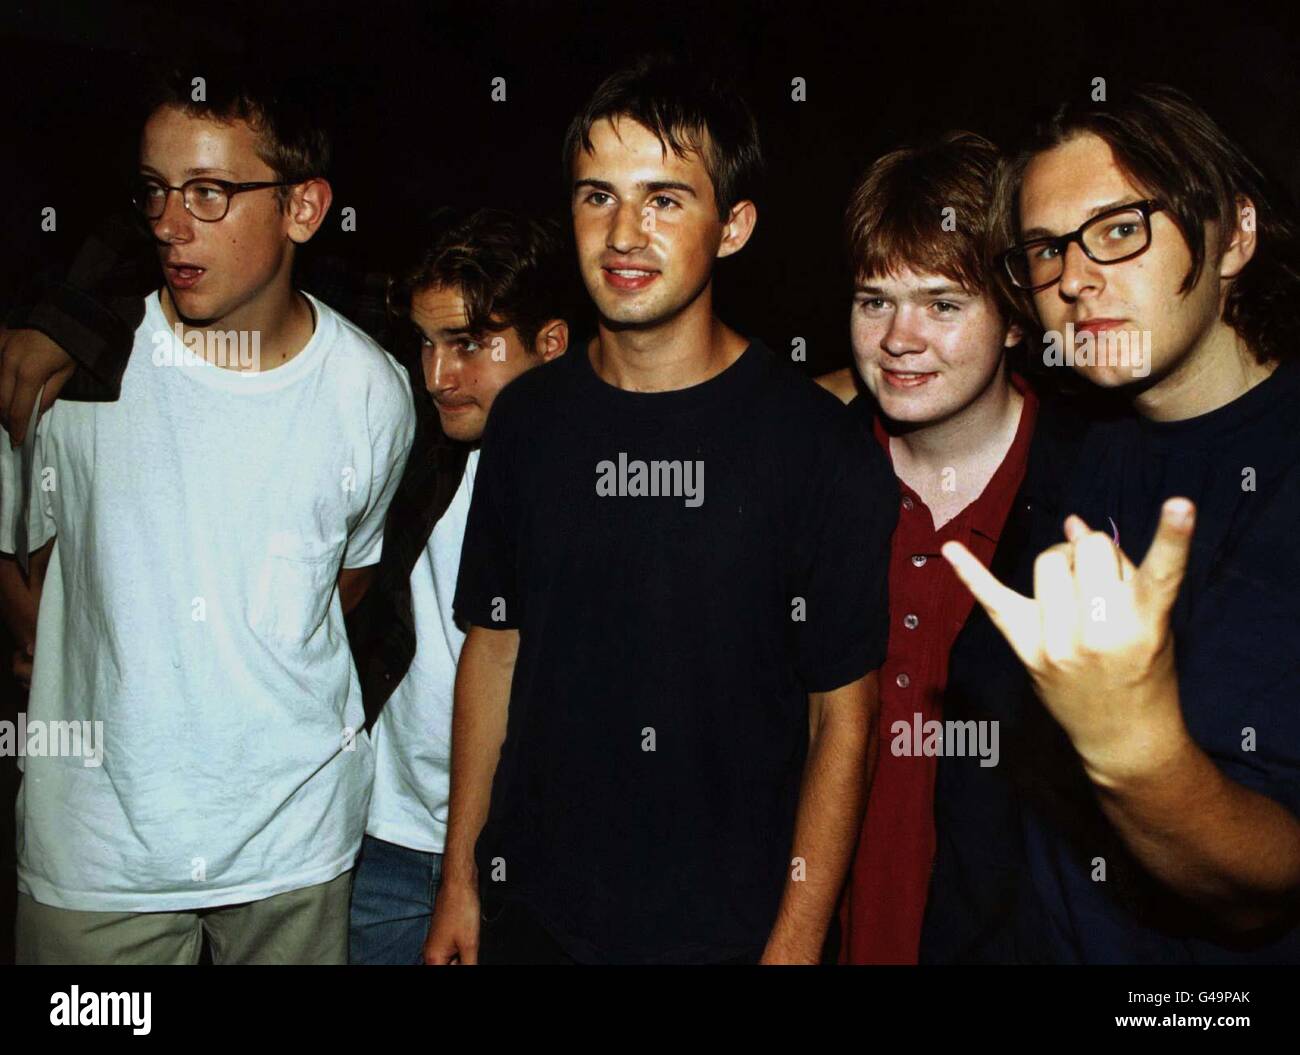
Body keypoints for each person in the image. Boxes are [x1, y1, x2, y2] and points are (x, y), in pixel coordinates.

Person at [422, 55, 897, 965]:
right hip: (536, 925)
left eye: (666, 199)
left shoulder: (814, 446)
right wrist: (459, 883)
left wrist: (795, 945)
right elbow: (494, 648)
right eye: (597, 196)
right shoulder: (525, 421)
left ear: (734, 226)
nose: (623, 233)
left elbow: (845, 717)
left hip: (729, 935)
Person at [0, 67, 414, 964]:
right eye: (155, 190)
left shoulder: (373, 390)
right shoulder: (72, 371)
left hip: (292, 848)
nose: (168, 223)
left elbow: (346, 578)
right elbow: (21, 568)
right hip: (97, 860)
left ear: (305, 208)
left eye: (209, 192)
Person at [942, 84, 1300, 962]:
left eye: (1118, 230)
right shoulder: (1078, 433)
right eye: (1045, 250)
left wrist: (1130, 747)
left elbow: (1267, 885)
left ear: (1235, 236)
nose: (1073, 277)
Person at [818, 132, 1044, 963]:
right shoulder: (806, 485)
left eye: (943, 304)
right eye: (875, 300)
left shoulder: (1088, 500)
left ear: (1017, 317)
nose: (899, 338)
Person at [347, 208, 571, 964]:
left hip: (528, 855)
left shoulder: (610, 478)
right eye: (427, 342)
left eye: (471, 344)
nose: (439, 374)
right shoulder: (414, 443)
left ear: (552, 343)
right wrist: (65, 324)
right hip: (381, 840)